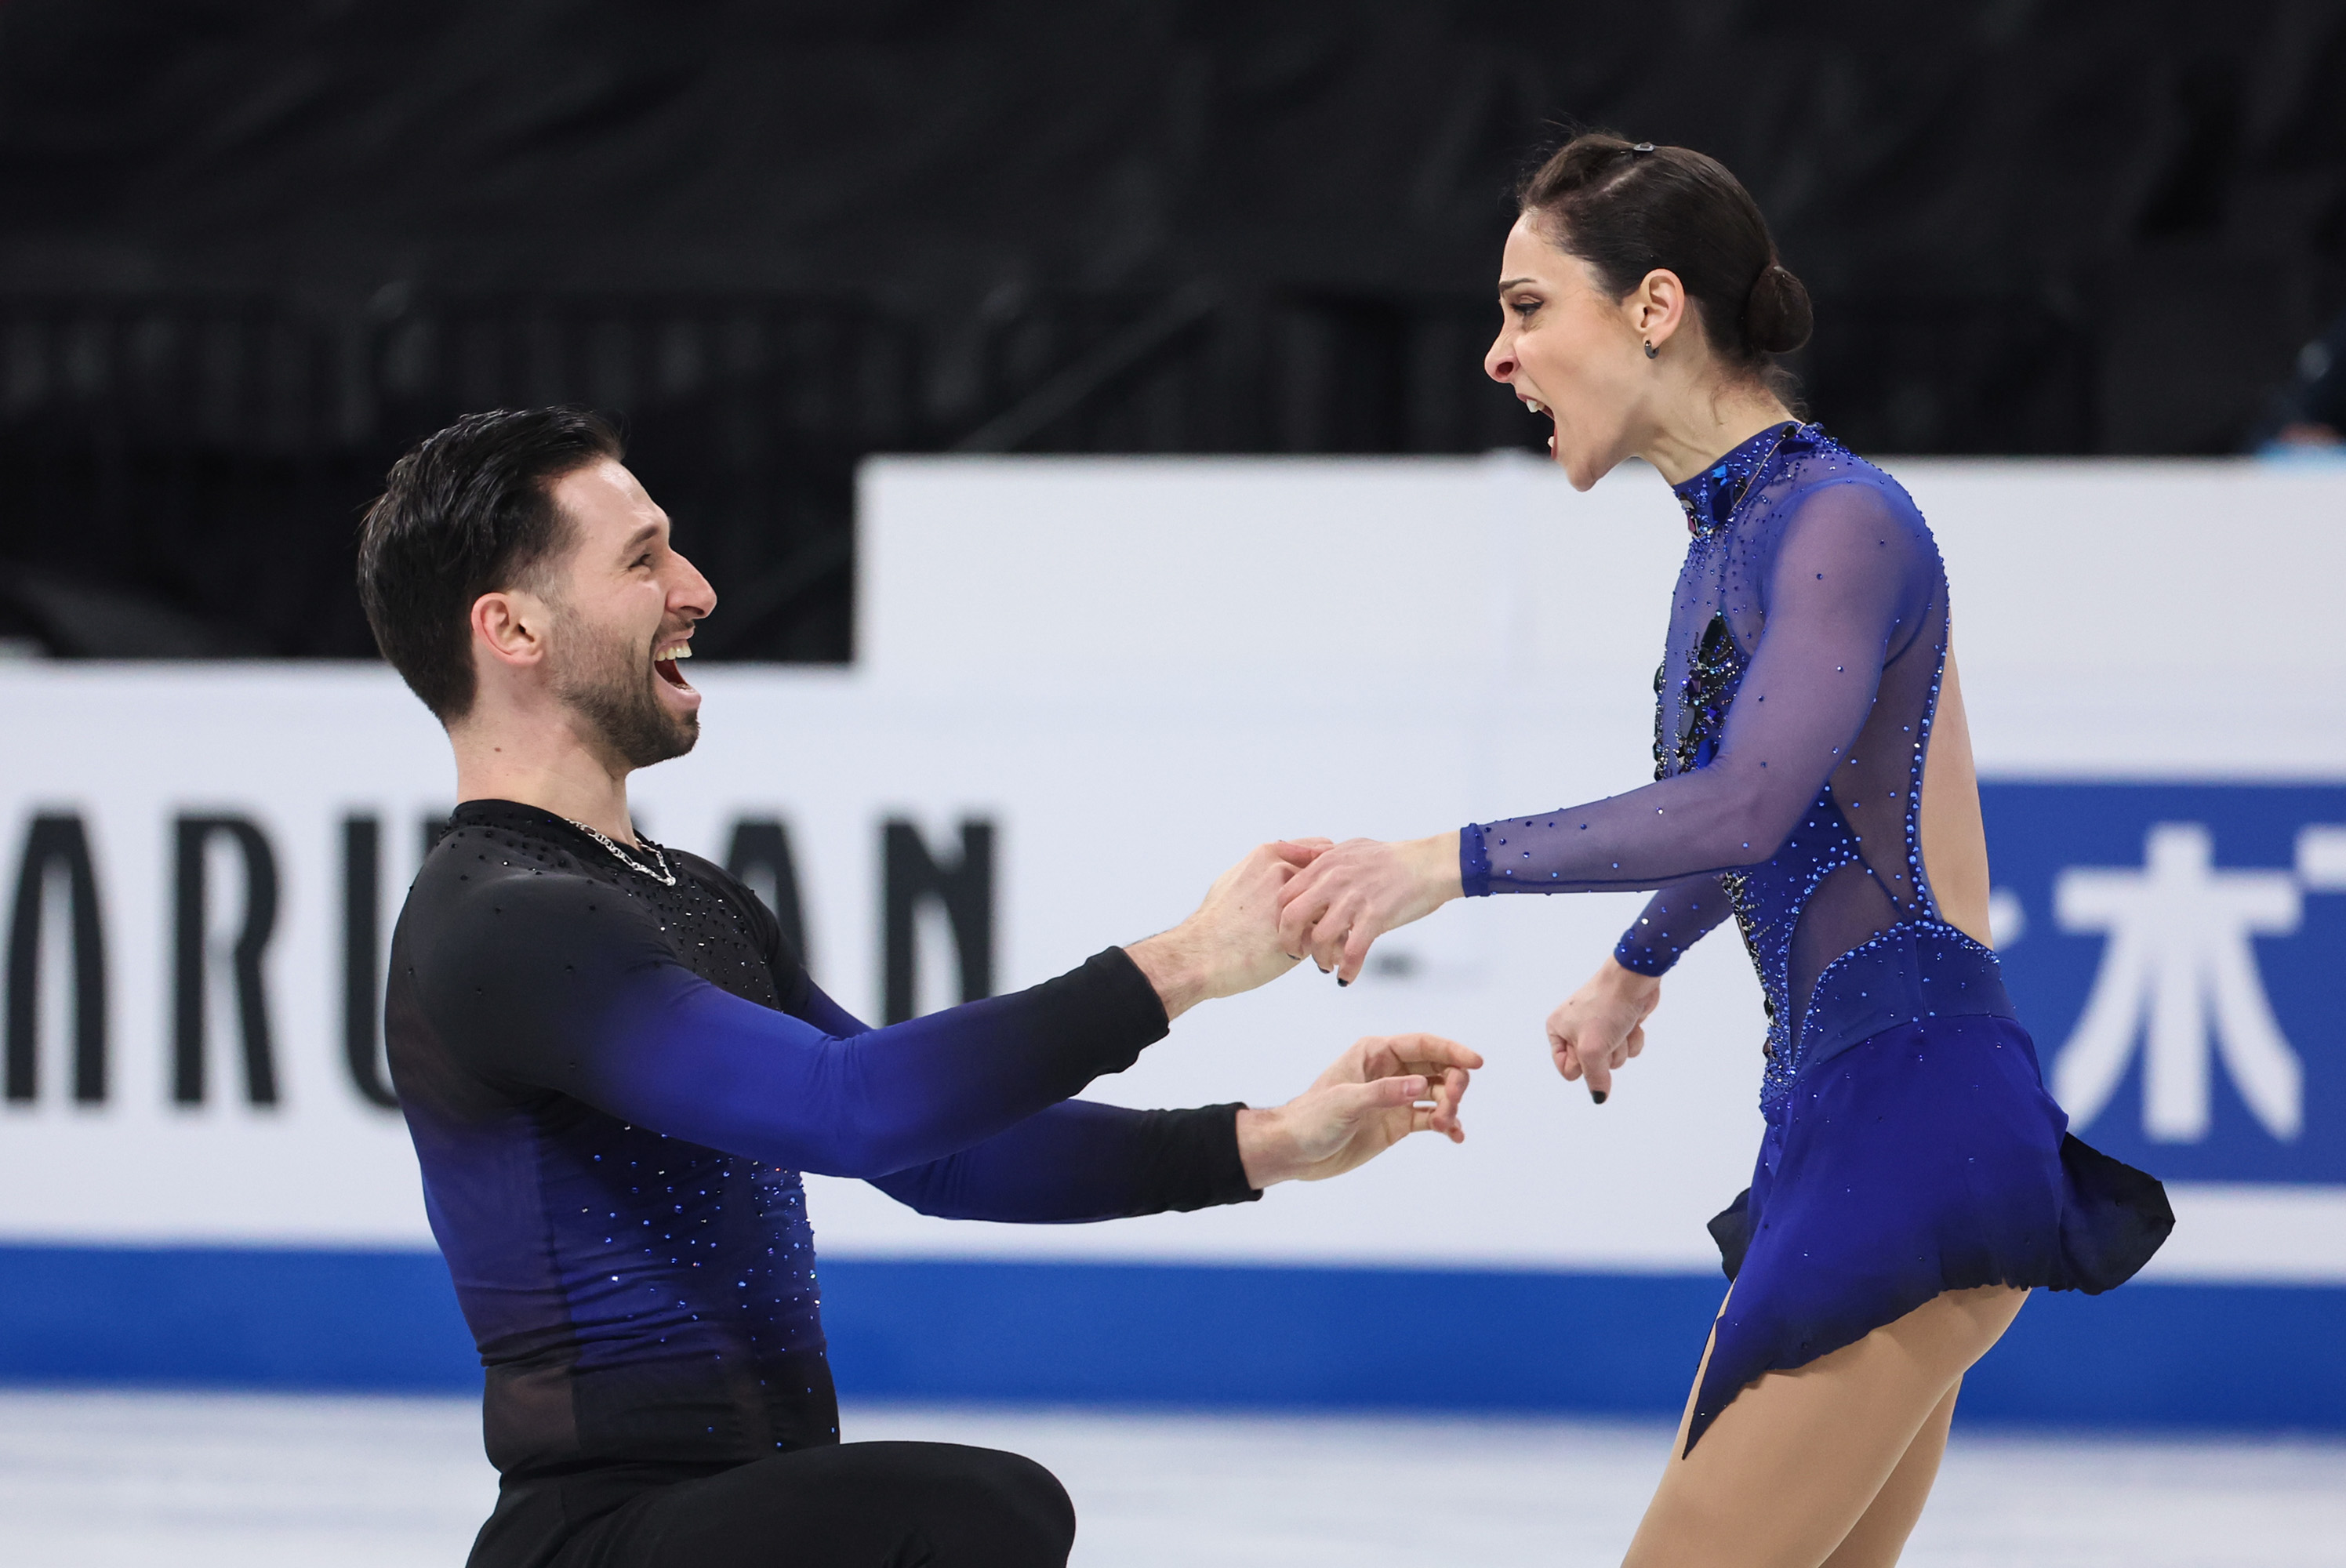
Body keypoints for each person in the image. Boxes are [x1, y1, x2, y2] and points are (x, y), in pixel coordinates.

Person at [355, 407, 1480, 1568]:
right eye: (642, 559)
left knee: (960, 1511)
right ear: (513, 629)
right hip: (602, 1538)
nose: (696, 589)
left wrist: (1268, 1142)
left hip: (733, 1519)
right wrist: (1188, 962)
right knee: (971, 1513)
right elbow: (851, 1111)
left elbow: (933, 1155)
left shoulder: (682, 895)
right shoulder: (505, 924)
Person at [1273, 135, 2173, 1568]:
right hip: (1850, 1121)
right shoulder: (1733, 538)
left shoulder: (1837, 521)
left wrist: (1436, 859)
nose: (1498, 357)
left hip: (1913, 1119)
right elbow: (1778, 803)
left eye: (1524, 308)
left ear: (1653, 307)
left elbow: (1748, 800)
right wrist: (1639, 960)